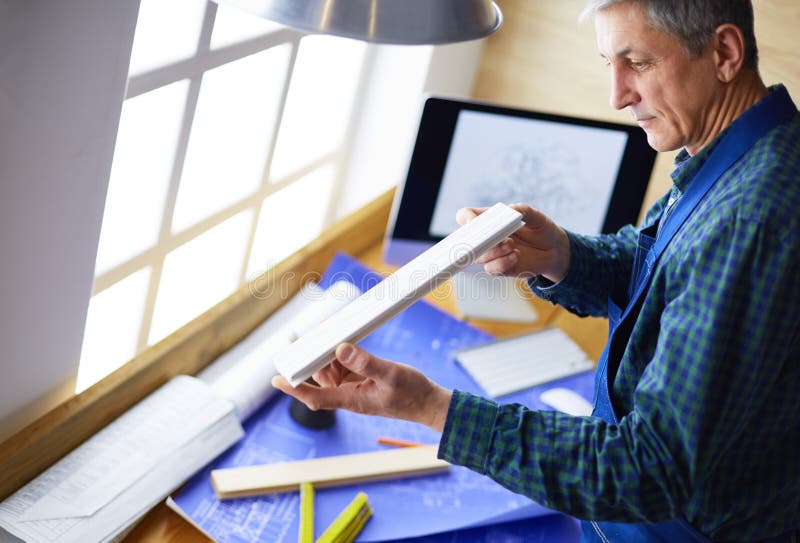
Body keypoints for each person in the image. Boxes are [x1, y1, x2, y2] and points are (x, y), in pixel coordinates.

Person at [273, 1, 800, 541]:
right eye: (608, 64)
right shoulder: (737, 152)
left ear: (725, 53)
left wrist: (431, 408)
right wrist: (561, 255)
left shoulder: (753, 215)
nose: (617, 96)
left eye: (637, 63)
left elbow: (646, 471)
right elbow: (664, 272)